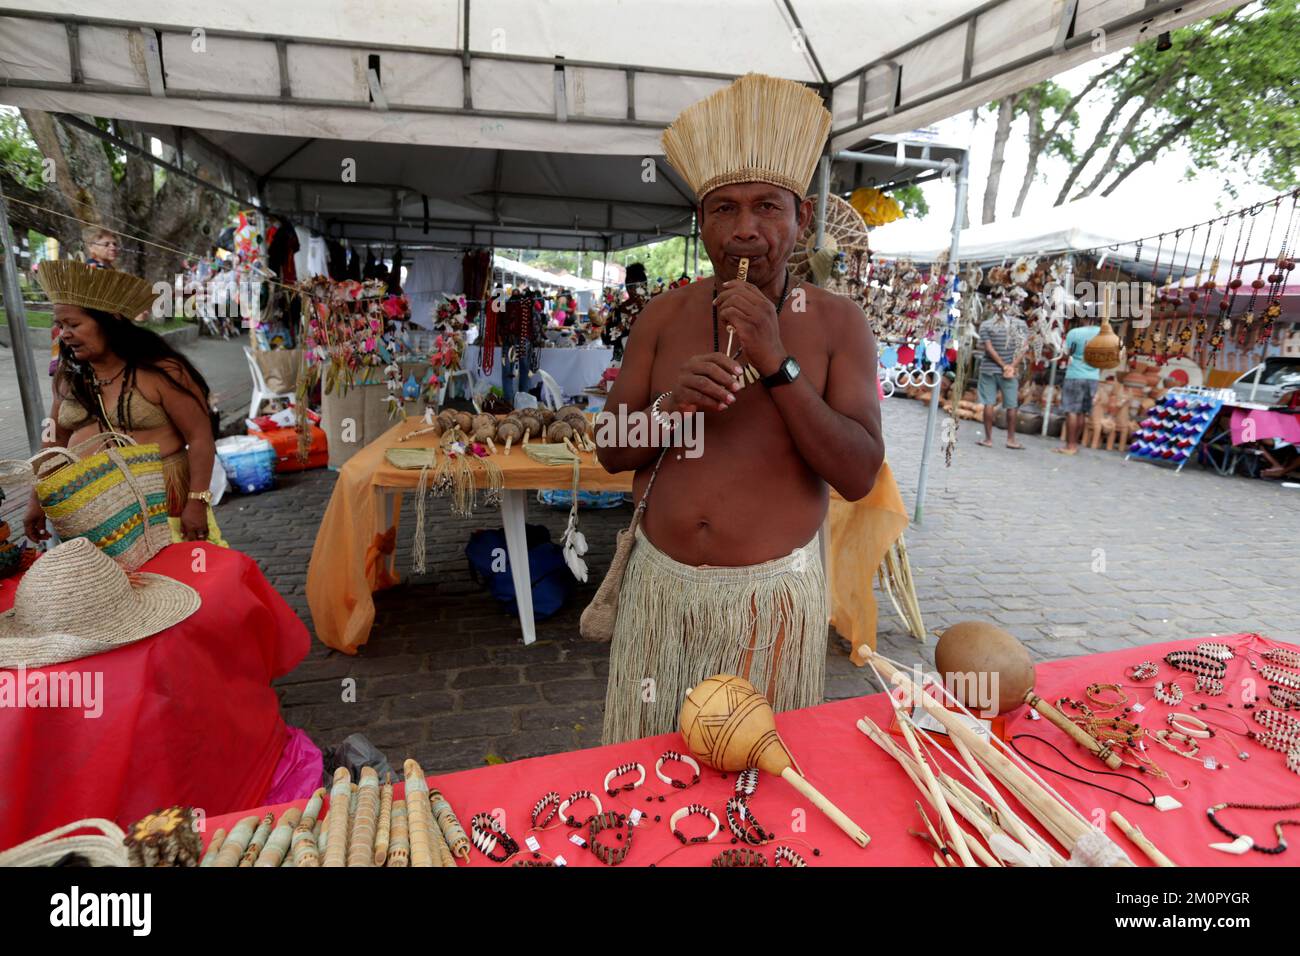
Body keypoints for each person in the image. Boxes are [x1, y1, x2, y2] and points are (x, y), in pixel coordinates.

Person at [596, 74, 884, 744]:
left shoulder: (839, 324)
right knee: (649, 782)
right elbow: (611, 448)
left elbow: (858, 474)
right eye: (723, 209)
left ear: (803, 217)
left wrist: (778, 361)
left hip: (771, 606)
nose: (745, 230)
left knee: (756, 794)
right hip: (659, 595)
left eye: (767, 208)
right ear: (700, 223)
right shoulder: (663, 316)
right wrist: (670, 406)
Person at [24, 260, 226, 546]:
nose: (64, 334)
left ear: (110, 321)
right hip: (90, 513)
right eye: (60, 325)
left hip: (161, 506)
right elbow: (52, 439)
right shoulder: (68, 375)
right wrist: (36, 499)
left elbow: (200, 435)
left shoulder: (162, 371)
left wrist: (197, 500)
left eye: (74, 324)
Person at [975, 309, 1028, 450]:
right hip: (1010, 372)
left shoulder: (986, 324)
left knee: (989, 403)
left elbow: (988, 347)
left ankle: (988, 439)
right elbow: (1023, 348)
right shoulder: (1021, 324)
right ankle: (1011, 439)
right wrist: (1010, 366)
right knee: (1012, 405)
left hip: (988, 370)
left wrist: (1003, 365)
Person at [1055, 315, 1101, 455]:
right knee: (1082, 412)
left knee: (1072, 412)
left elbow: (1065, 354)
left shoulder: (1074, 333)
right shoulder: (1104, 333)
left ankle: (1070, 446)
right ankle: (1075, 445)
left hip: (1075, 375)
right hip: (1093, 377)